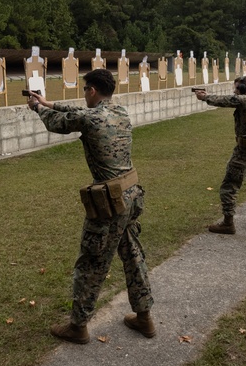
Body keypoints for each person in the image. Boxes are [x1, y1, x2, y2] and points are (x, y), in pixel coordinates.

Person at [27, 69, 155, 343]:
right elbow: (76, 112)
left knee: (92, 262)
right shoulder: (120, 111)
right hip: (132, 195)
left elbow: (57, 123)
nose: (84, 95)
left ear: (92, 91)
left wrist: (38, 108)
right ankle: (144, 317)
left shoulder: (90, 118)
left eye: (85, 90)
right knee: (132, 254)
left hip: (110, 202)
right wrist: (49, 102)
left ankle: (78, 326)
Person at [194, 76, 246, 234]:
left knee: (229, 186)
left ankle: (228, 223)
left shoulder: (245, 100)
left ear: (242, 88)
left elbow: (226, 100)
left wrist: (205, 97)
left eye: (236, 88)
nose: (234, 91)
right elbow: (231, 98)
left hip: (245, 151)